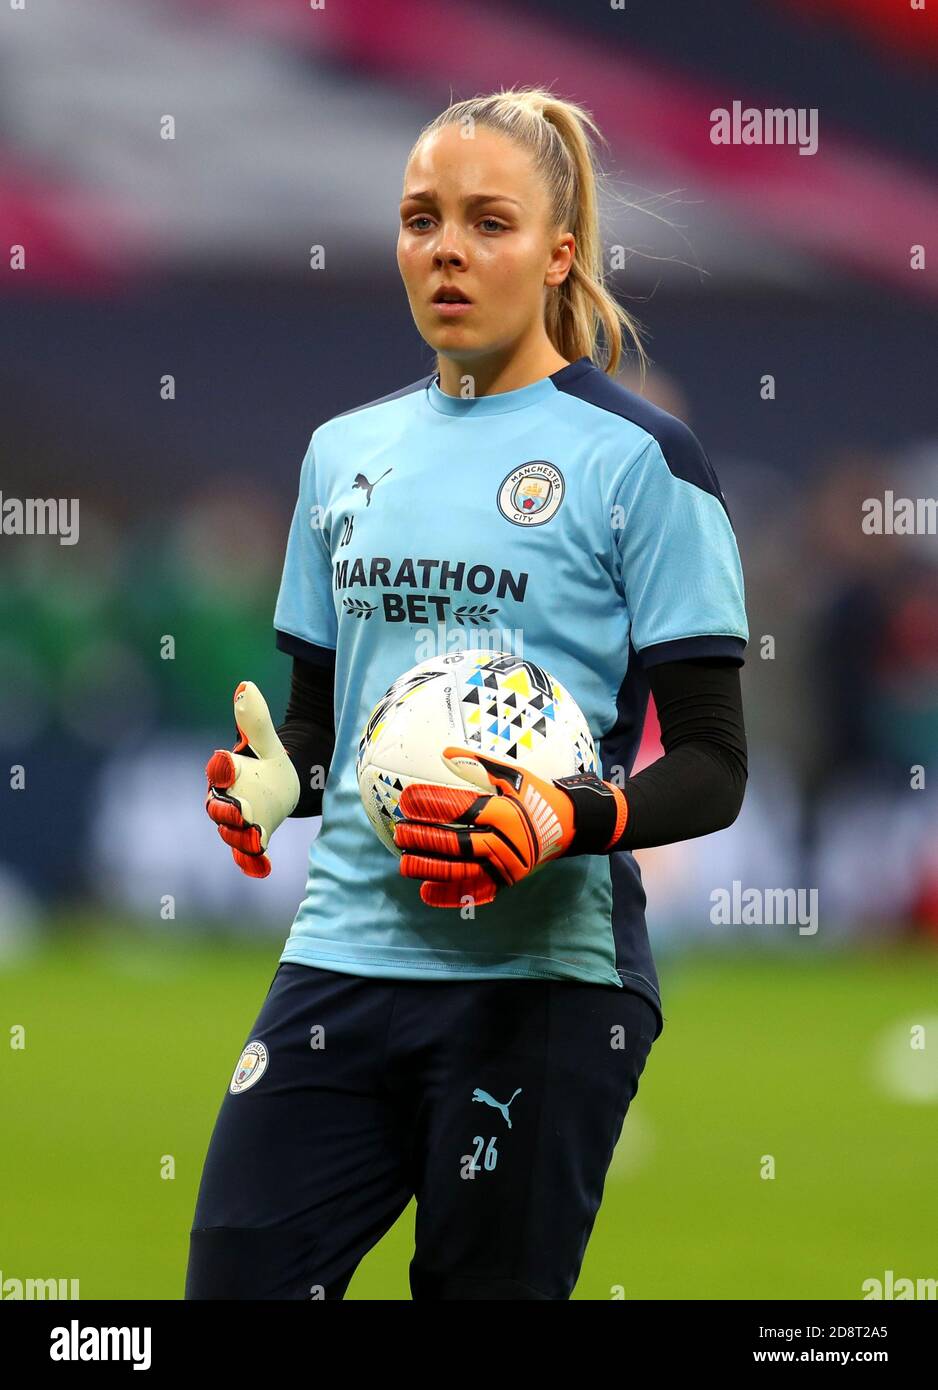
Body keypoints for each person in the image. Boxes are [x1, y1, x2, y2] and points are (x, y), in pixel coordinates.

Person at [185, 86, 749, 1301]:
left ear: (557, 253)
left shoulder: (642, 462)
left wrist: (562, 816)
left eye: (487, 221)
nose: (445, 247)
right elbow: (316, 716)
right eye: (419, 218)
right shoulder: (344, 452)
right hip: (341, 957)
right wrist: (278, 781)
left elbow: (712, 764)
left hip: (540, 981)